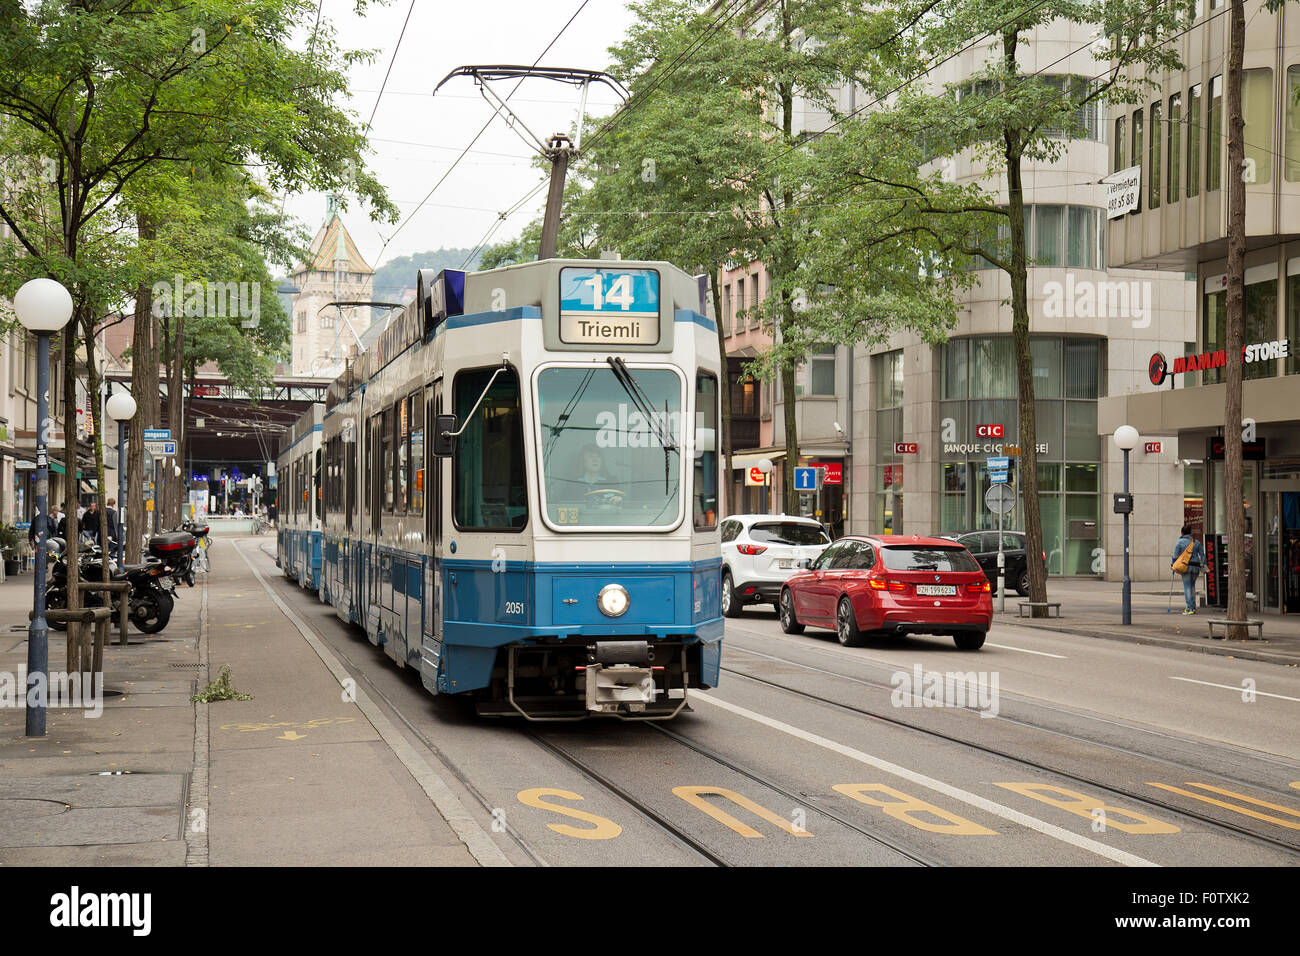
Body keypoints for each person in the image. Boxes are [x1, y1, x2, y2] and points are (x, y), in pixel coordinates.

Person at [1171, 525, 1206, 614]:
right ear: (1190, 532)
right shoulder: (1196, 542)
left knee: (1187, 587)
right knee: (1192, 586)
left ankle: (1188, 608)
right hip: (1196, 567)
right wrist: (1203, 565)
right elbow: (1202, 555)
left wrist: (1173, 565)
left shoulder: (1179, 542)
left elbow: (1175, 556)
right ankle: (1193, 607)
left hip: (1185, 567)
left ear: (1182, 533)